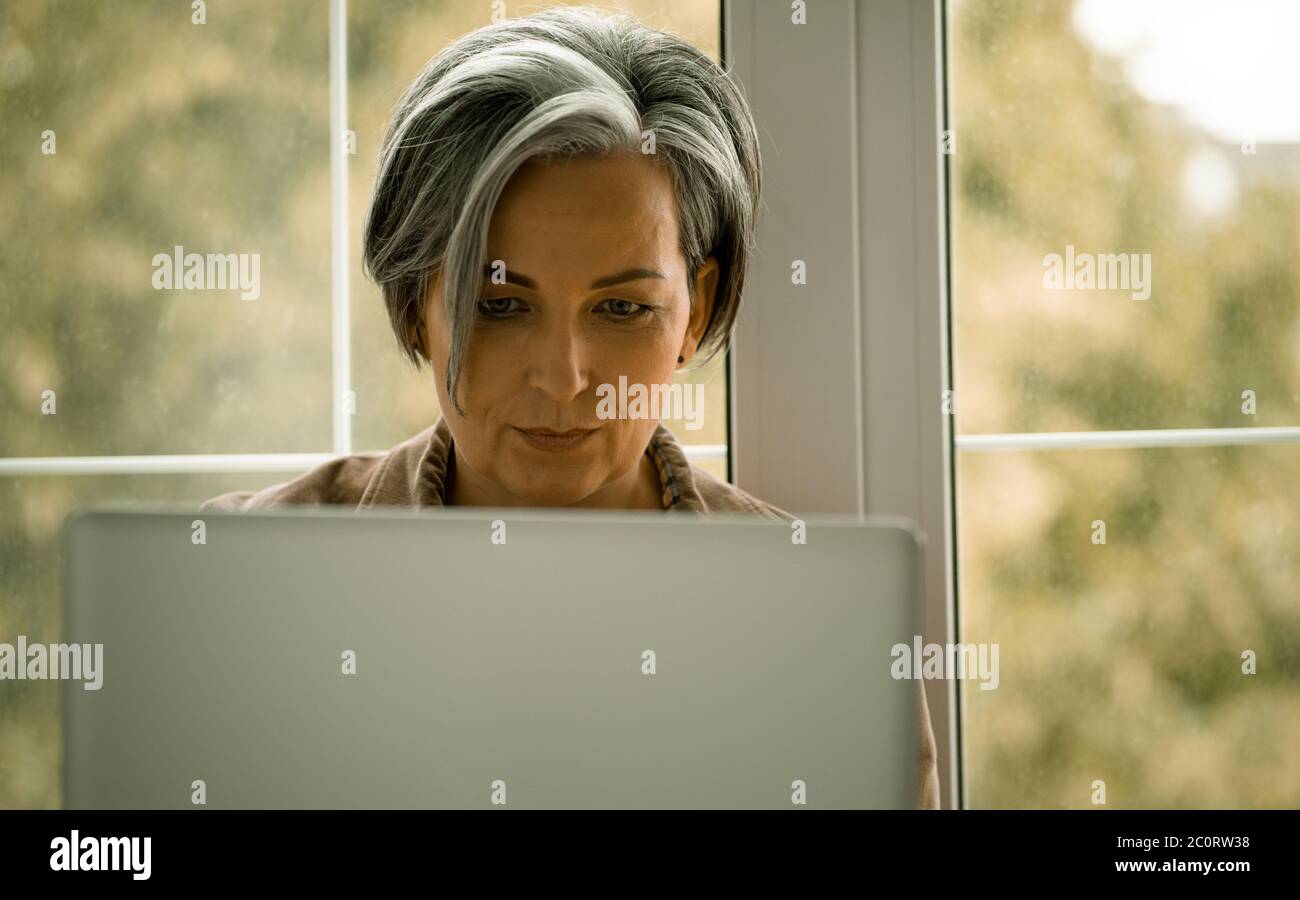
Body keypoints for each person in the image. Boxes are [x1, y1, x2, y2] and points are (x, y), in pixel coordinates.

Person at [200, 6, 940, 809]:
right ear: (417, 302)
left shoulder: (825, 638)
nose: (562, 378)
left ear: (696, 309)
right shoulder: (239, 589)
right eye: (500, 305)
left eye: (622, 310)